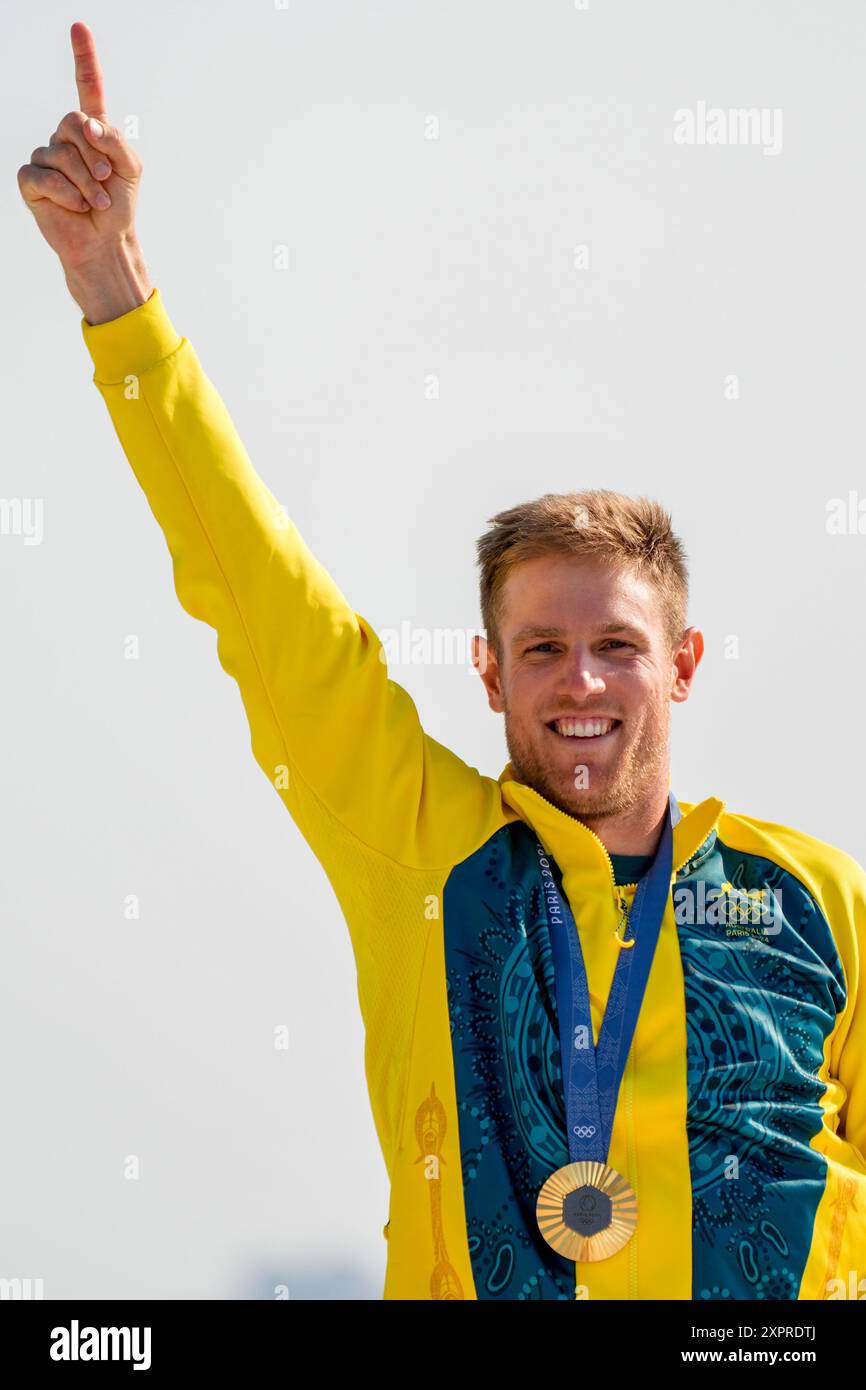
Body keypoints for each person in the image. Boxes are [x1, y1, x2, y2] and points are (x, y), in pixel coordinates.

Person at [18, 20, 866, 1303]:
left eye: (614, 648)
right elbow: (264, 605)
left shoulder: (812, 900)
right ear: (487, 674)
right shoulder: (426, 845)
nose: (578, 682)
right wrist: (114, 284)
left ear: (681, 662)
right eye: (540, 649)